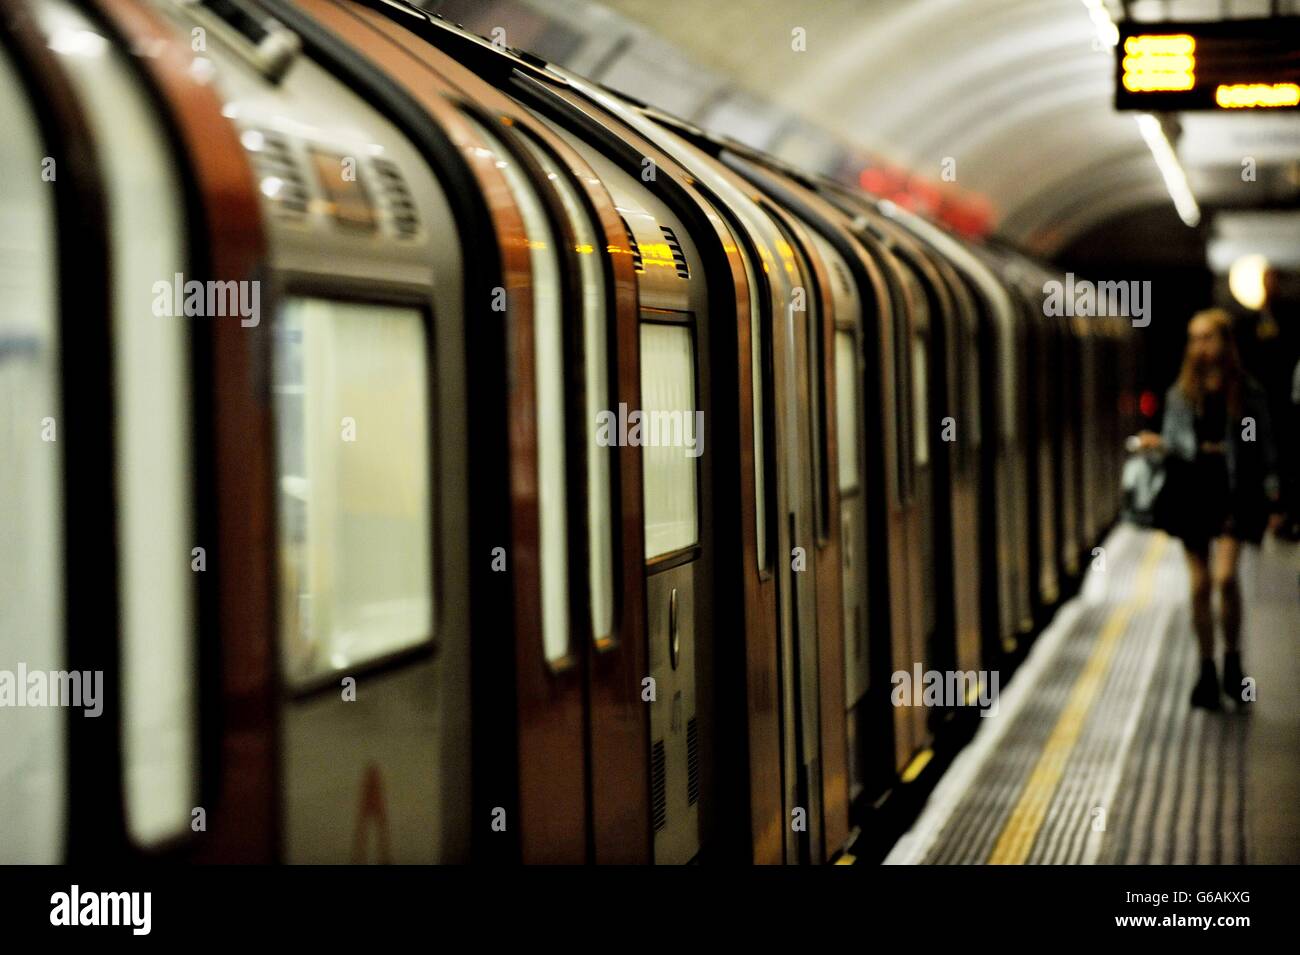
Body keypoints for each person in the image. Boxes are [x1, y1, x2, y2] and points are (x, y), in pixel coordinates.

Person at [1136, 309, 1282, 709]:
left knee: (1225, 579)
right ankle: (1206, 669)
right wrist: (1157, 447)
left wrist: (1272, 493)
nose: (1200, 346)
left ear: (1224, 341)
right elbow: (1172, 442)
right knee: (1199, 585)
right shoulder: (1181, 394)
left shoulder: (1247, 392)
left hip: (1235, 492)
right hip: (1191, 492)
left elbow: (1262, 443)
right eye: (1193, 338)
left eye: (1206, 337)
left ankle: (1233, 663)